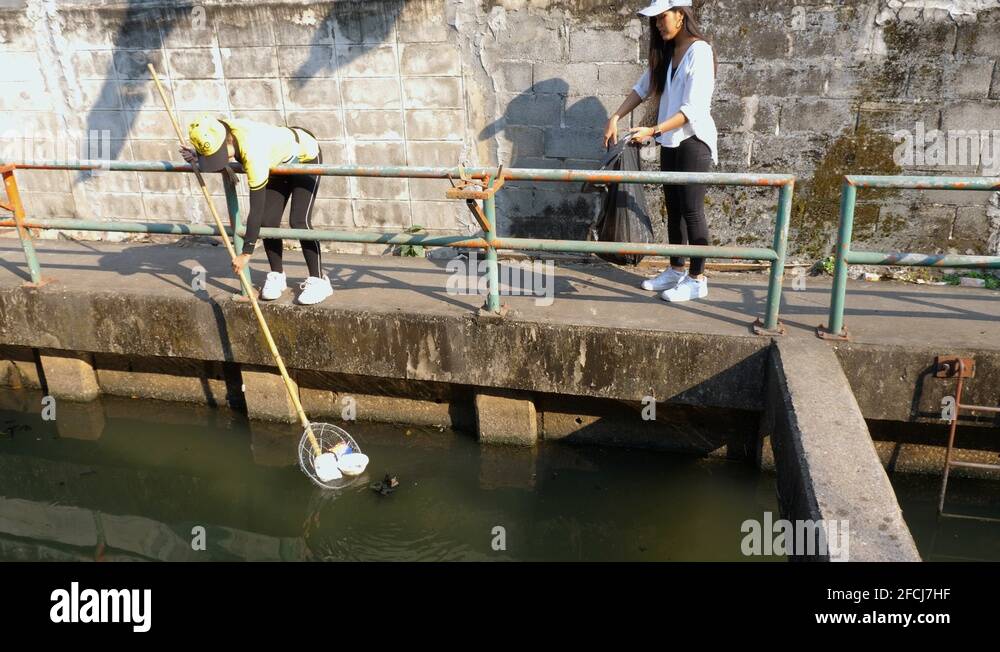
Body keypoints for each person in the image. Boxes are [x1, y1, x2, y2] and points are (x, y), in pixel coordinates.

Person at [604, 0, 718, 303]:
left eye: (661, 17)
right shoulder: (667, 53)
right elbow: (643, 89)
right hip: (670, 140)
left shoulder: (700, 52)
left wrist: (652, 130)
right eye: (654, 20)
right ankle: (676, 269)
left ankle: (697, 278)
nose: (657, 24)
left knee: (693, 210)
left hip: (694, 141)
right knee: (675, 210)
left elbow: (693, 109)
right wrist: (615, 117)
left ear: (681, 15)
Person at [181, 116, 332, 305]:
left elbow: (256, 208)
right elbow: (216, 144)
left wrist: (246, 253)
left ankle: (319, 280)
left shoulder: (254, 153)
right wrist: (199, 155)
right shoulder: (222, 130)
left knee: (299, 221)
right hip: (278, 160)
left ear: (226, 141)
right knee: (269, 221)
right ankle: (277, 275)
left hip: (304, 154)